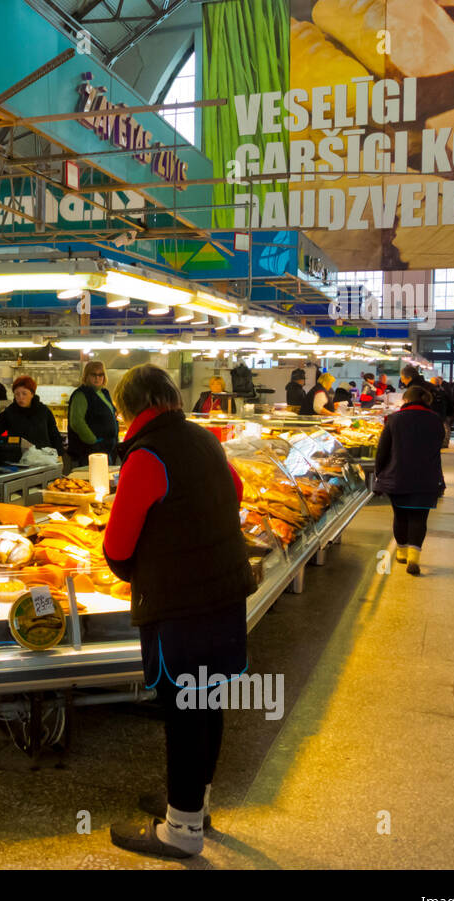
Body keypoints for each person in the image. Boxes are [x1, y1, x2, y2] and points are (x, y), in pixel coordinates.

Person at [101, 364, 255, 859]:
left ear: (129, 408)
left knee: (184, 711)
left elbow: (118, 548)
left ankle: (181, 831)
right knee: (206, 702)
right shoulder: (205, 439)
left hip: (181, 605)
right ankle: (192, 803)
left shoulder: (146, 456)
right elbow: (237, 490)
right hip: (225, 593)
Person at [374, 386, 445, 575]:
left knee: (401, 516)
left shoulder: (394, 419)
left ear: (406, 400)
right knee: (419, 518)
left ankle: (402, 553)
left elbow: (383, 450)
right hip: (427, 477)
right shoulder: (436, 420)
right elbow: (439, 444)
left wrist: (379, 473)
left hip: (398, 476)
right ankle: (414, 558)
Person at [0, 375, 63, 464]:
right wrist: (8, 443)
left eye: (24, 393)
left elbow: (55, 435)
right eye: (17, 394)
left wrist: (60, 455)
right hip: (19, 463)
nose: (21, 397)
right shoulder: (9, 412)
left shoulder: (44, 411)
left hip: (44, 461)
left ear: (32, 394)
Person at [68, 360, 119, 462]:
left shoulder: (104, 392)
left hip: (107, 449)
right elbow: (77, 422)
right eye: (93, 375)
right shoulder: (81, 394)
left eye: (101, 375)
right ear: (86, 376)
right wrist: (93, 441)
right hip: (89, 451)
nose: (97, 378)